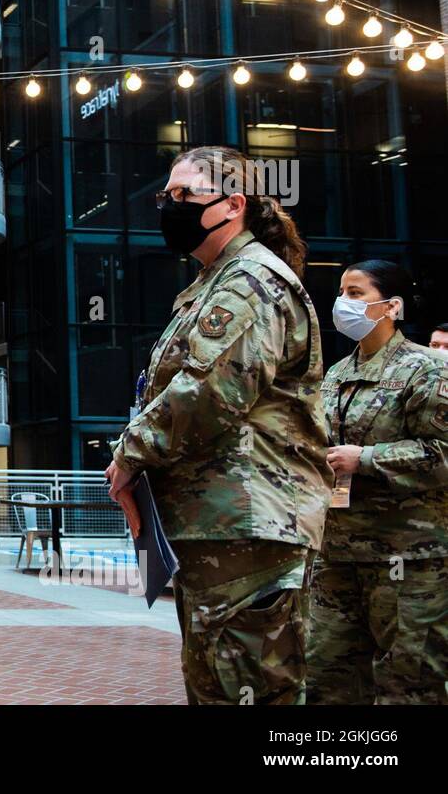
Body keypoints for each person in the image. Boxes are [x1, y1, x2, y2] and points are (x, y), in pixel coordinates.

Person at [106, 146, 330, 706]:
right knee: (217, 686)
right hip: (222, 525)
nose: (170, 206)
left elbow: (211, 391)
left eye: (185, 196)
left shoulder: (248, 280)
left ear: (233, 204)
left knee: (244, 690)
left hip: (246, 526)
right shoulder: (216, 281)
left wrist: (129, 452)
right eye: (166, 196)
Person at [309, 260, 448, 704]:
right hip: (338, 554)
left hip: (409, 558)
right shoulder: (335, 375)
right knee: (325, 679)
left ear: (391, 306)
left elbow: (441, 454)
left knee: (409, 684)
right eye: (341, 293)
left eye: (356, 293)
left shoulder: (427, 370)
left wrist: (365, 458)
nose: (342, 303)